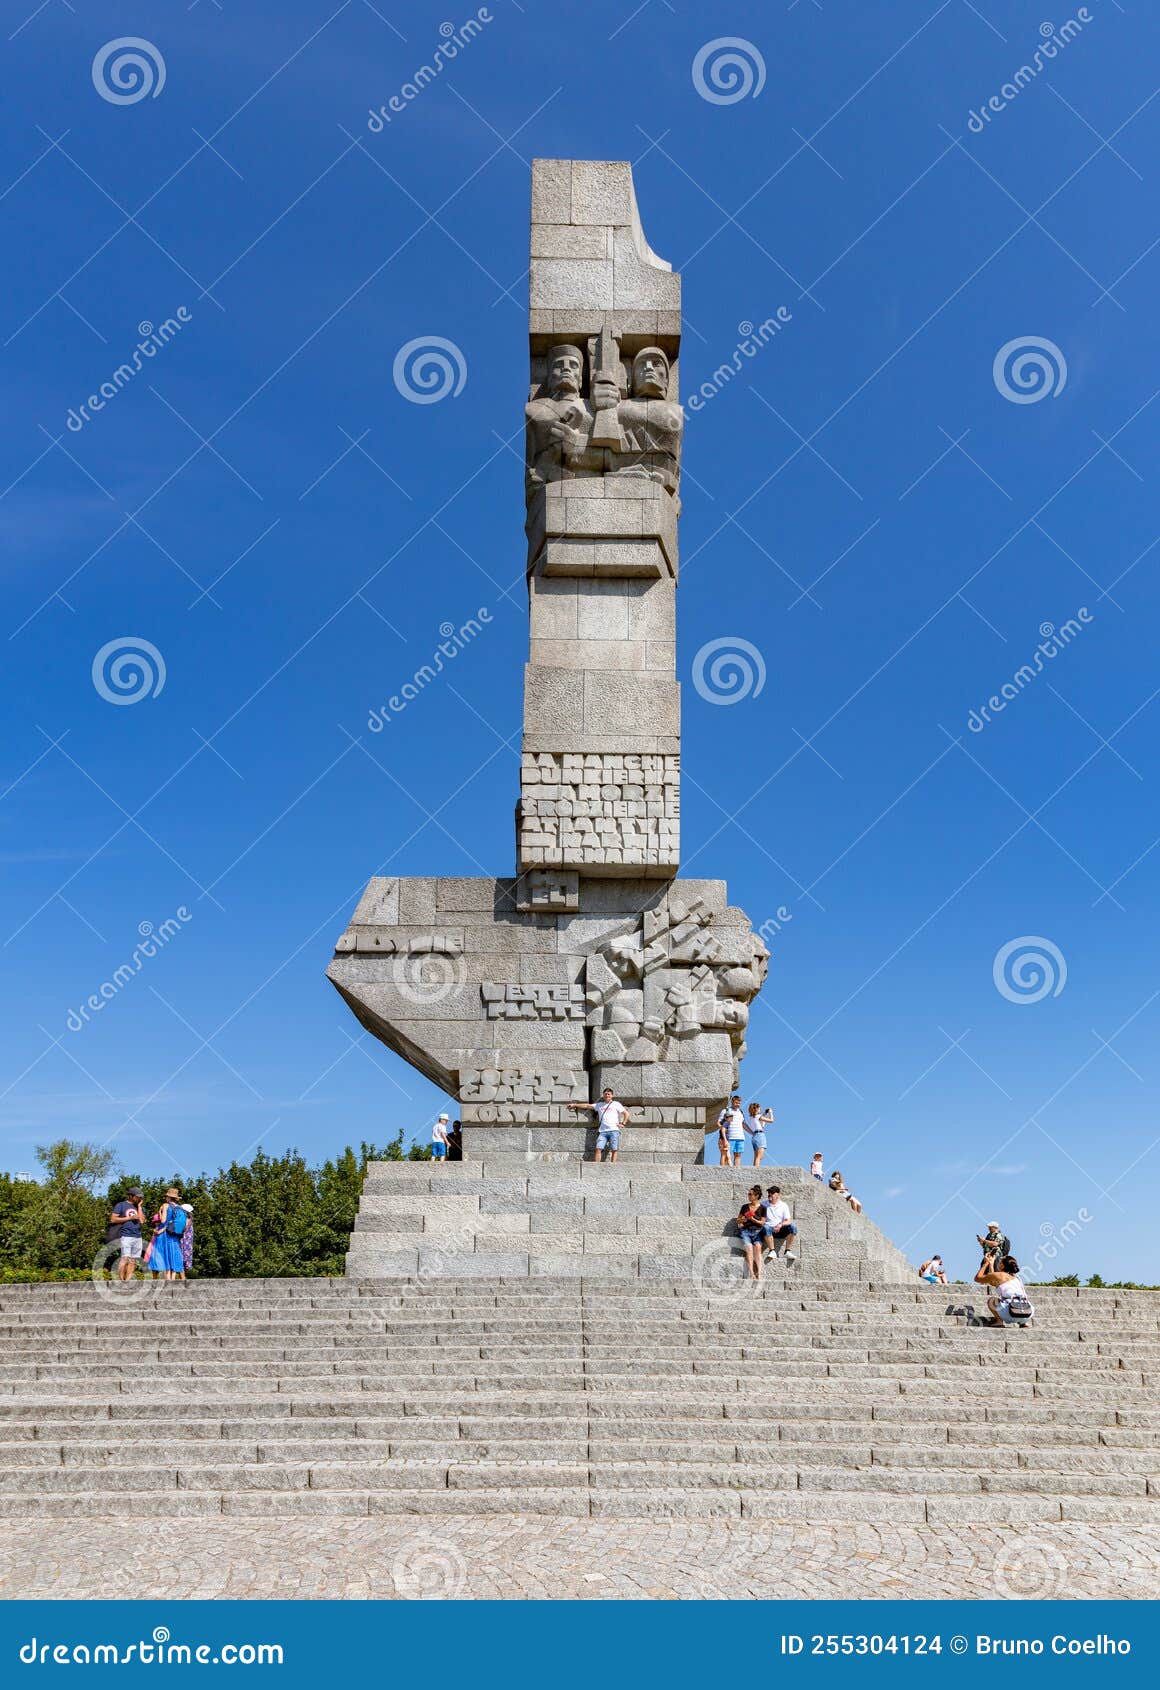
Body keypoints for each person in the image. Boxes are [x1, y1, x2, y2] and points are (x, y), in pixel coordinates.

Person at [565, 1087, 629, 1163]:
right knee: (598, 1148)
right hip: (602, 1131)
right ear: (603, 1095)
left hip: (614, 1130)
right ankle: (597, 1165)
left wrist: (623, 1123)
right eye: (605, 1094)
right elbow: (587, 1106)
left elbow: (626, 1113)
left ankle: (613, 1165)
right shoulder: (600, 1105)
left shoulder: (616, 1104)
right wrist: (575, 1105)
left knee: (614, 1149)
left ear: (612, 1095)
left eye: (609, 1094)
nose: (607, 1095)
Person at [976, 1254, 1034, 1328]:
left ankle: (999, 1321)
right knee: (1017, 1299)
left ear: (1002, 1266)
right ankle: (1023, 1323)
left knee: (992, 1300)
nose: (998, 1263)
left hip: (1010, 1313)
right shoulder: (1017, 1277)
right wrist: (991, 1264)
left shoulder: (999, 1275)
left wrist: (986, 1263)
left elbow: (978, 1278)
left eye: (999, 1262)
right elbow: (993, 1279)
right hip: (1027, 1313)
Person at [148, 1188, 186, 1284]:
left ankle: (167, 1278)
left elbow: (164, 1220)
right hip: (174, 1234)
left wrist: (160, 1212)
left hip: (164, 1234)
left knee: (164, 1255)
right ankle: (172, 1278)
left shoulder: (165, 1205)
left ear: (169, 1197)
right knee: (173, 1254)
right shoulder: (180, 1208)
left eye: (166, 1196)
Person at [106, 1188, 144, 1281]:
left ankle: (127, 1281)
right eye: (137, 1197)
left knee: (133, 1260)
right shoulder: (121, 1205)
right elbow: (113, 1219)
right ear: (131, 1196)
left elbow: (142, 1221)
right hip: (125, 1235)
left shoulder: (140, 1208)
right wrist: (130, 1218)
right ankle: (121, 1280)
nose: (139, 1198)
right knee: (125, 1258)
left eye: (140, 1197)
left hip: (138, 1236)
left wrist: (139, 1207)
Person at [762, 1186, 798, 1265]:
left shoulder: (783, 1205)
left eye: (772, 1193)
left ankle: (787, 1251)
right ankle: (772, 1251)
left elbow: (788, 1220)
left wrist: (780, 1225)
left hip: (780, 1229)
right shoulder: (763, 1204)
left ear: (778, 1195)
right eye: (769, 1193)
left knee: (793, 1227)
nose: (770, 1194)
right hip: (769, 1229)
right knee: (766, 1227)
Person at [736, 1185, 766, 1281]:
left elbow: (762, 1222)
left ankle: (759, 1273)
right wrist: (743, 1219)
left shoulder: (763, 1208)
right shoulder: (745, 1207)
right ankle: (752, 1273)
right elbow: (738, 1220)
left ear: (756, 1196)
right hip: (745, 1231)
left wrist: (752, 1219)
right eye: (748, 1194)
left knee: (758, 1247)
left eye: (750, 1194)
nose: (748, 1196)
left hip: (757, 1232)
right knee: (749, 1248)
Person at [717, 1095, 746, 1167]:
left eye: (739, 1103)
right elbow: (718, 1123)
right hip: (729, 1136)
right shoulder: (726, 1111)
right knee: (726, 1154)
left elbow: (743, 1124)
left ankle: (737, 1171)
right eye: (736, 1103)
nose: (738, 1105)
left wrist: (752, 1132)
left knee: (738, 1155)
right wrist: (724, 1129)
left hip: (740, 1136)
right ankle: (723, 1171)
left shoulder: (741, 1112)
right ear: (732, 1102)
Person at [745, 1102, 774, 1166]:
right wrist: (771, 1112)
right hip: (760, 1135)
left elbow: (762, 1125)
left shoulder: (752, 1118)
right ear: (757, 1109)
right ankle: (756, 1169)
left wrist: (764, 1114)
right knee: (759, 1156)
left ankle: (754, 1169)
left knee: (757, 1156)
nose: (760, 1109)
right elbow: (771, 1120)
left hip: (755, 1136)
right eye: (759, 1108)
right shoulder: (758, 1116)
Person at [178, 1204, 194, 1281]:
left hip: (184, 1241)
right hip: (187, 1241)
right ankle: (183, 1277)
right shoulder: (189, 1218)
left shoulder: (187, 1219)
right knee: (184, 1258)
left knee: (182, 1258)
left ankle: (183, 1277)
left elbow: (183, 1228)